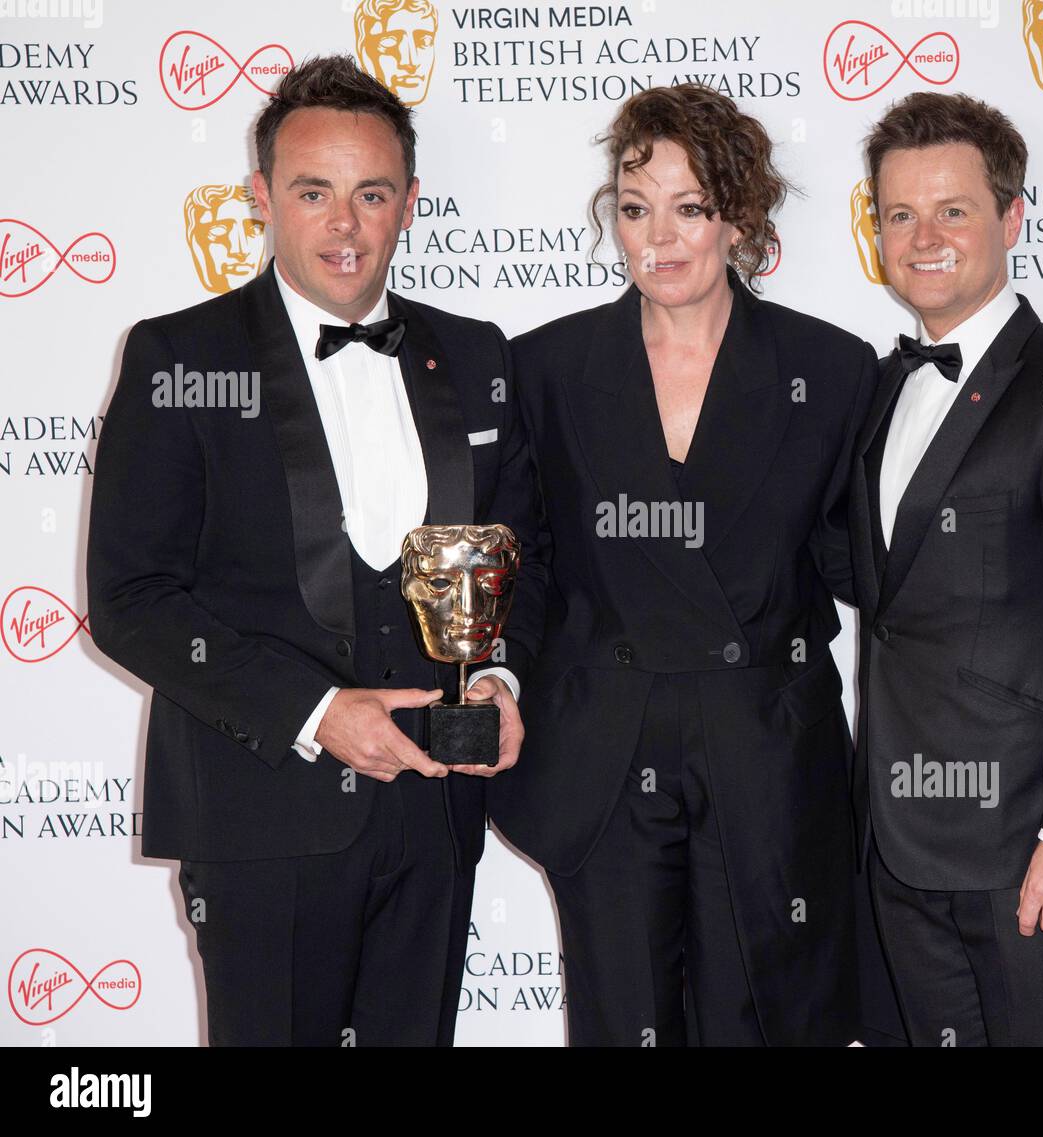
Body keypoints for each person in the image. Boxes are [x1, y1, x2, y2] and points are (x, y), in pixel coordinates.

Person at [86, 55, 542, 1046]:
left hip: (431, 812)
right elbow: (131, 599)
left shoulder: (475, 356)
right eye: (313, 192)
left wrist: (500, 676)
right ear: (261, 198)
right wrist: (314, 711)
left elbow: (516, 554)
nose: (345, 222)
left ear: (409, 203)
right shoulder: (180, 357)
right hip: (259, 815)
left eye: (371, 193)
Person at [489, 84, 903, 1047]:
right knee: (622, 1020)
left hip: (765, 749)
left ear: (741, 218)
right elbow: (526, 559)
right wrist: (501, 672)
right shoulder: (546, 367)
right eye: (636, 209)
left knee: (761, 1021)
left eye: (691, 208)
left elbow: (868, 565)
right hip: (605, 746)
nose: (659, 239)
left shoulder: (832, 370)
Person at [846, 91, 1043, 1046]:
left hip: (1031, 853)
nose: (924, 237)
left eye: (954, 210)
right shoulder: (880, 389)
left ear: (1011, 217)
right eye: (900, 214)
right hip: (896, 848)